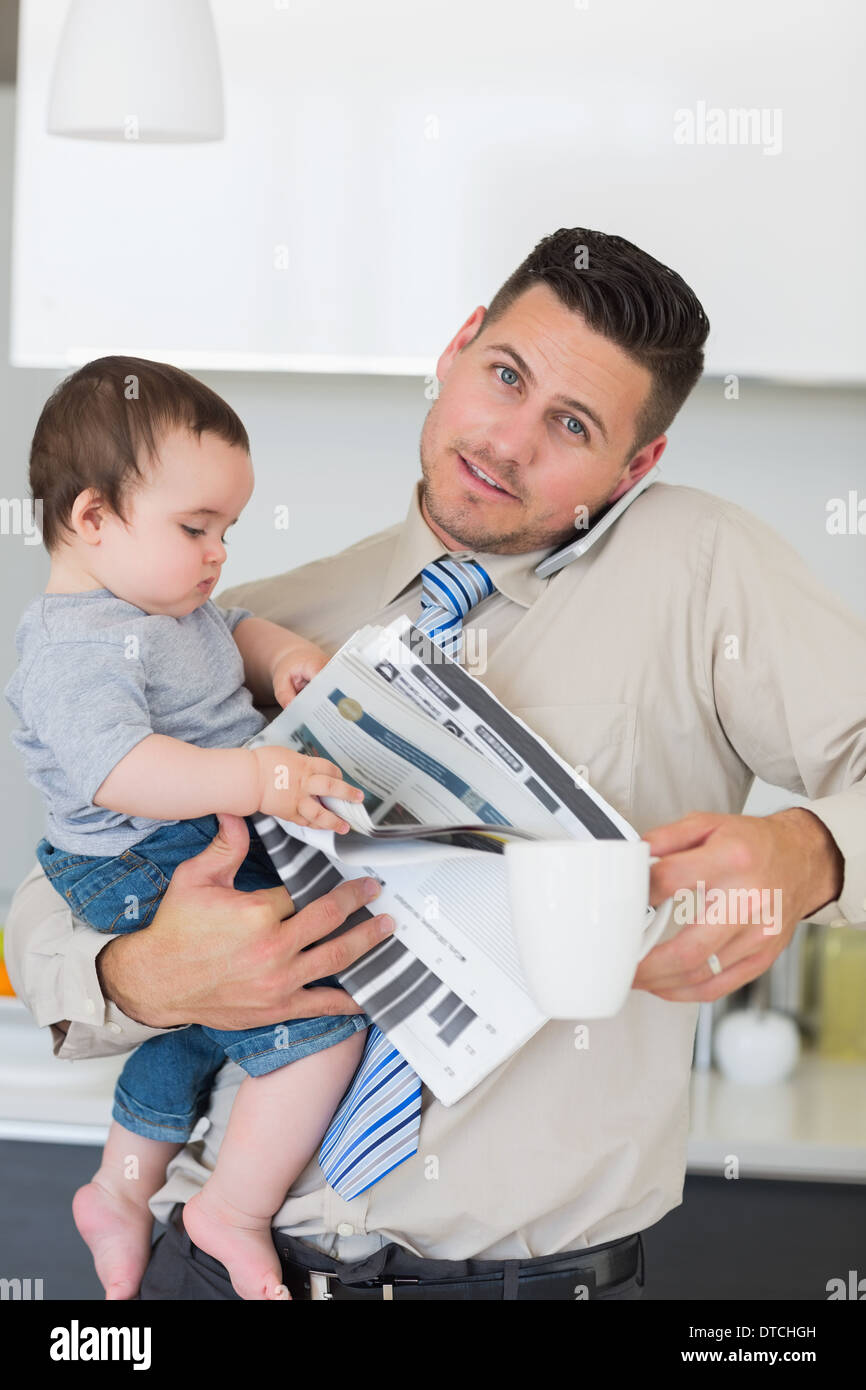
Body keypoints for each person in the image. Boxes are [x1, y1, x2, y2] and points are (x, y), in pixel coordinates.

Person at [7, 228, 864, 1302]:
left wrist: (811, 849)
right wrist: (138, 974)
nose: (507, 439)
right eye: (503, 375)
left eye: (570, 423)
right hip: (220, 1270)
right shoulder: (251, 620)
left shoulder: (699, 570)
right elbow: (55, 889)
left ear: (633, 465)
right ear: (457, 349)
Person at [2, 357, 393, 1302]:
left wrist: (286, 657)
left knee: (201, 1025)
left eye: (226, 529)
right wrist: (259, 776)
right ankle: (231, 1212)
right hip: (138, 858)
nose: (217, 551)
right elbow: (122, 770)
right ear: (92, 518)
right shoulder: (71, 646)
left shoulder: (162, 603)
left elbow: (235, 625)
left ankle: (118, 1188)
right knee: (317, 1030)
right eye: (196, 527)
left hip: (184, 844)